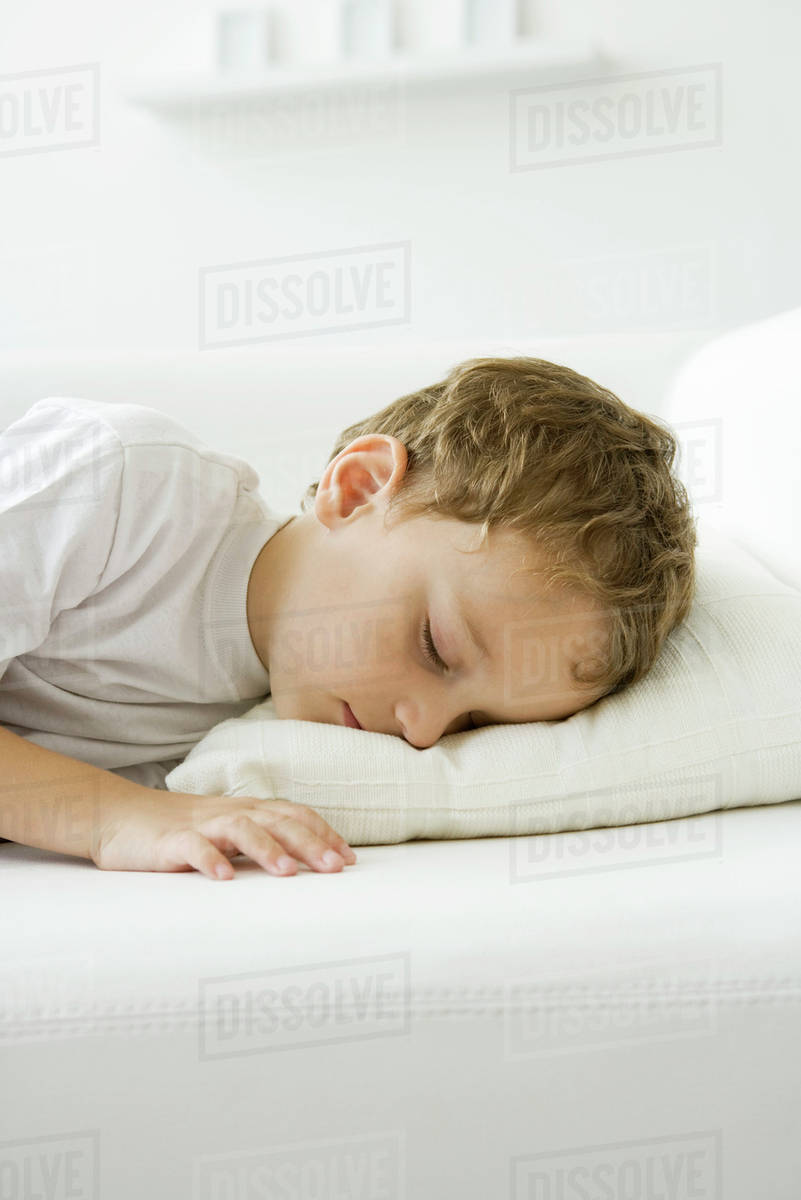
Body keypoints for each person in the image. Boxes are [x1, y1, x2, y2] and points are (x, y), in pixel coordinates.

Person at [0, 356, 696, 879]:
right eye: (436, 647)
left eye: (473, 724)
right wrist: (111, 815)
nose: (422, 731)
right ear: (357, 488)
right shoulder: (132, 486)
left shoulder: (248, 743)